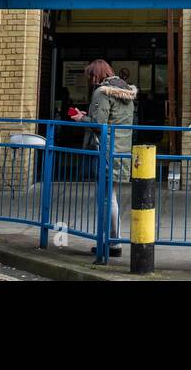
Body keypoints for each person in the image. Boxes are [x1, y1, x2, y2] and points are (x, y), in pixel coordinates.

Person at [71, 59, 137, 258]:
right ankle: (112, 241)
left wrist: (80, 118)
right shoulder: (126, 91)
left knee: (107, 198)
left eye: (91, 77)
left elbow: (99, 124)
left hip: (105, 149)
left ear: (96, 75)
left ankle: (112, 243)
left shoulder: (102, 92)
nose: (90, 81)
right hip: (122, 148)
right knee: (112, 195)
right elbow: (114, 119)